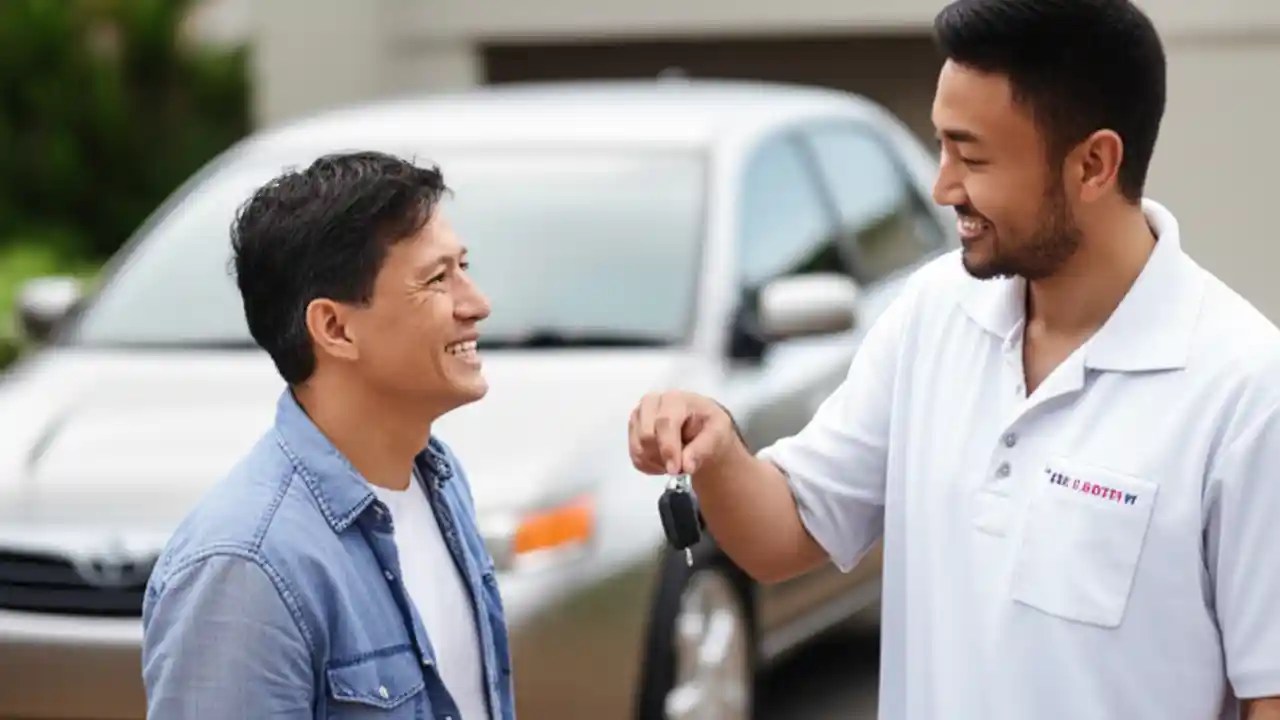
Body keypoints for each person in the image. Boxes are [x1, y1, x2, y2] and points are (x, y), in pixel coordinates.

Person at [629, 1, 1280, 718]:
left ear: (1094, 164)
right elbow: (787, 534)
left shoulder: (1245, 389)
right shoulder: (933, 313)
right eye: (940, 147)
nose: (942, 188)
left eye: (971, 157)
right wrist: (720, 451)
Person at [142, 151, 514, 719]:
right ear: (335, 328)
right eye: (438, 279)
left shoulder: (436, 478)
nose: (477, 304)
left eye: (464, 267)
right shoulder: (247, 566)